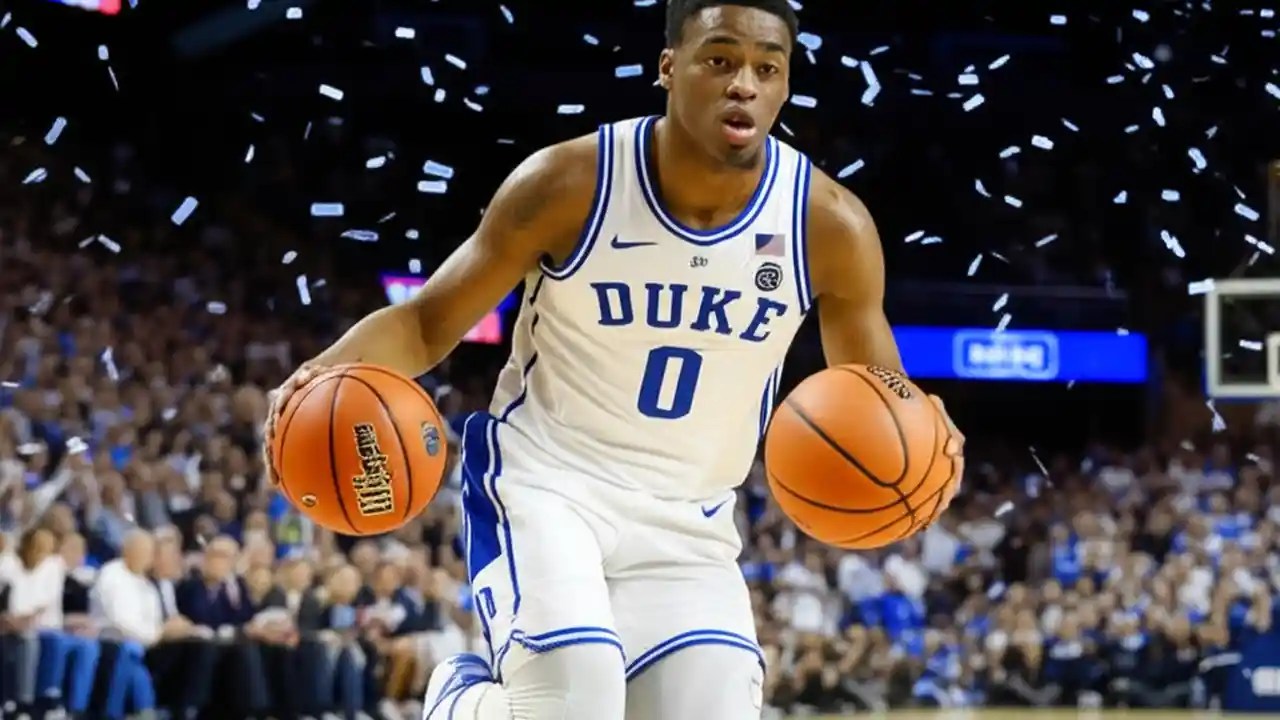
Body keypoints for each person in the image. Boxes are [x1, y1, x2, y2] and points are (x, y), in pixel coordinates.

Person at [263, 0, 964, 717]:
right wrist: (310, 380)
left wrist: (923, 442)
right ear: (669, 68)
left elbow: (875, 396)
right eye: (719, 60)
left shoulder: (829, 223)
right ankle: (457, 699)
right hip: (549, 484)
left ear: (785, 85)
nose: (744, 84)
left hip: (690, 519)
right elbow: (424, 326)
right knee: (573, 703)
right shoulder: (568, 183)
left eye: (767, 68)